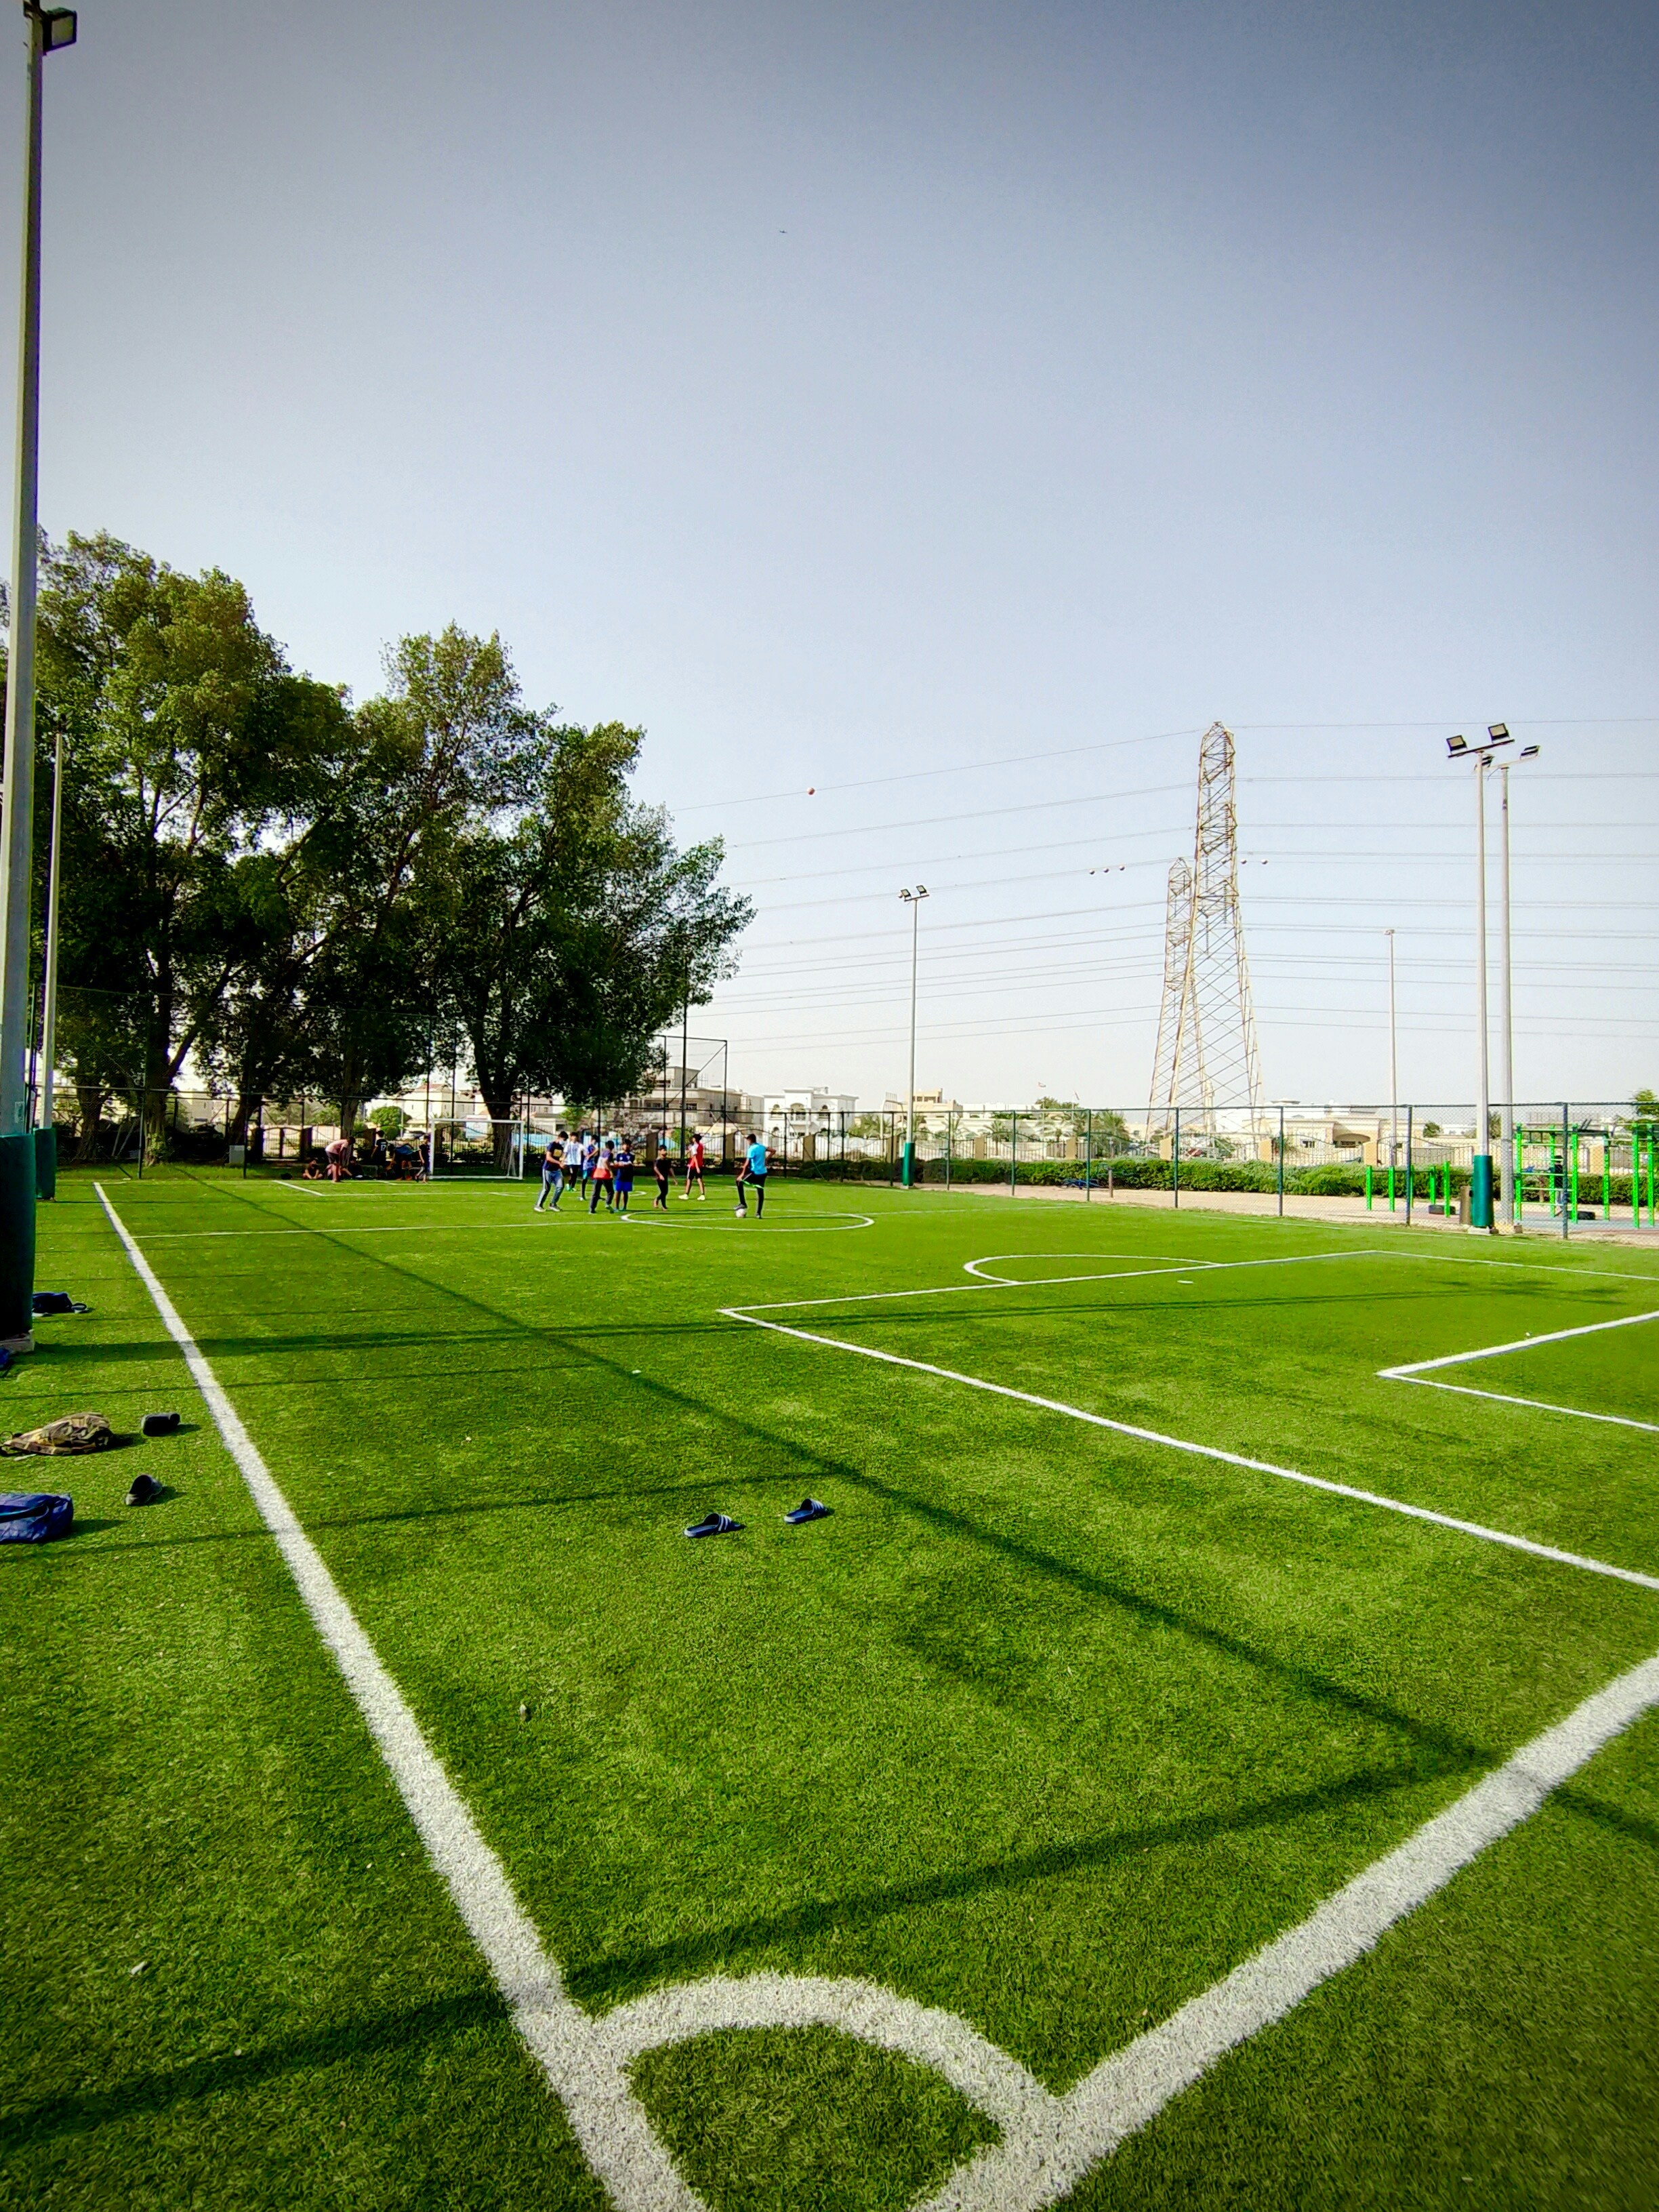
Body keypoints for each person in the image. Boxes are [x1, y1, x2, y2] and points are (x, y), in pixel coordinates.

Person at [735, 1131, 769, 1216]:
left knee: (739, 1181)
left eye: (748, 1141)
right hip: (763, 1173)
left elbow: (747, 1164)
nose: (748, 1143)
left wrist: (742, 1175)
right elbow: (773, 1151)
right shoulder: (762, 1147)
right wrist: (767, 1159)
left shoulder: (752, 1149)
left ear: (750, 1140)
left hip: (755, 1173)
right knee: (760, 1191)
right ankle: (758, 1214)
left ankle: (743, 1203)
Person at [536, 1128, 567, 1211]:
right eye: (563, 1139)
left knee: (560, 1186)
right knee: (546, 1188)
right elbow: (548, 1158)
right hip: (548, 1170)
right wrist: (559, 1163)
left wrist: (563, 1162)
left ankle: (553, 1204)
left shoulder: (561, 1147)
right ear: (559, 1137)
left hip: (557, 1170)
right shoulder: (552, 1145)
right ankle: (539, 1205)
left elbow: (561, 1157)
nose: (564, 1141)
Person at [588, 1138, 615, 1213]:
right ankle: (607, 1203)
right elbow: (605, 1162)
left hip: (597, 1174)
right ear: (612, 1147)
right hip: (605, 1175)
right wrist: (610, 1171)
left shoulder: (603, 1152)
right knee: (610, 1191)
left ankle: (592, 1209)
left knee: (596, 1192)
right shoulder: (610, 1153)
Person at [683, 1130, 707, 1202]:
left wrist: (696, 1167)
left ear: (695, 1139)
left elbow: (694, 1157)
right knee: (699, 1179)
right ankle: (702, 1195)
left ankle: (686, 1194)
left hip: (693, 1165)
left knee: (689, 1179)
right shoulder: (701, 1146)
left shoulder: (694, 1147)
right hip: (700, 1165)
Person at [614, 1137, 635, 1214]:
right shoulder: (619, 1154)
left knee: (625, 1192)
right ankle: (616, 1207)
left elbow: (630, 1164)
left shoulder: (632, 1155)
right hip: (620, 1175)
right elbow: (616, 1163)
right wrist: (620, 1165)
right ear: (623, 1145)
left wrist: (622, 1165)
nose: (626, 1146)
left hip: (628, 1175)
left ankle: (624, 1207)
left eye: (628, 1145)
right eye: (625, 1145)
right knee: (618, 1191)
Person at [653, 1132, 671, 1210]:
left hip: (666, 1177)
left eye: (666, 1150)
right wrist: (660, 1175)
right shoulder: (658, 1160)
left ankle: (662, 1204)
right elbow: (655, 1168)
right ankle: (659, 1201)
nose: (665, 1152)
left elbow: (670, 1169)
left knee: (665, 1192)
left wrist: (674, 1178)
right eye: (664, 1150)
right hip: (660, 1178)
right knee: (664, 1192)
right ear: (660, 1151)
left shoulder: (667, 1160)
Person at [579, 1130, 598, 1202]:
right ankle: (582, 1195)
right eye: (595, 1141)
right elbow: (588, 1157)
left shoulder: (594, 1148)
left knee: (596, 1180)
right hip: (586, 1166)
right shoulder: (588, 1147)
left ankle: (595, 1195)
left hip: (593, 1166)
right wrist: (595, 1152)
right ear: (593, 1140)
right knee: (584, 1180)